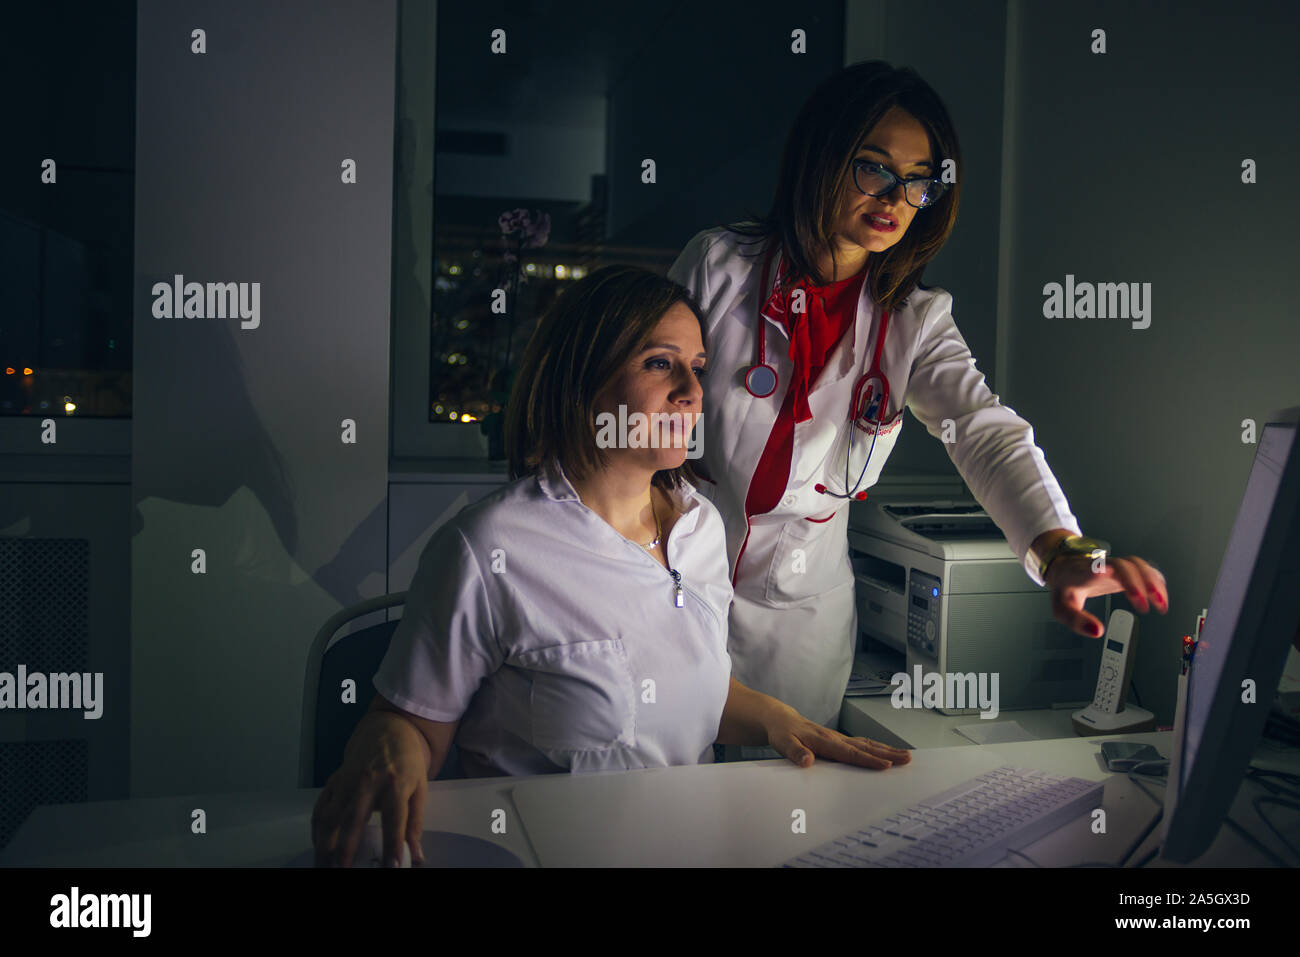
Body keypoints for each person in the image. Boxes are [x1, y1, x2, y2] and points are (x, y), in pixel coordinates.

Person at [311, 265, 910, 867]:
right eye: (660, 363)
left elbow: (681, 687)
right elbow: (411, 724)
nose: (692, 392)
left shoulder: (701, 526)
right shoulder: (491, 547)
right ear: (585, 379)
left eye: (698, 369)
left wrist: (779, 720)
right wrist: (392, 741)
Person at [667, 60, 1170, 731]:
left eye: (918, 182)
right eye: (872, 167)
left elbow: (983, 428)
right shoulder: (718, 267)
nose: (894, 198)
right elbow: (633, 398)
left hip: (798, 624)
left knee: (771, 815)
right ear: (822, 158)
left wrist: (1058, 548)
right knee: (660, 797)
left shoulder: (913, 319)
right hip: (674, 584)